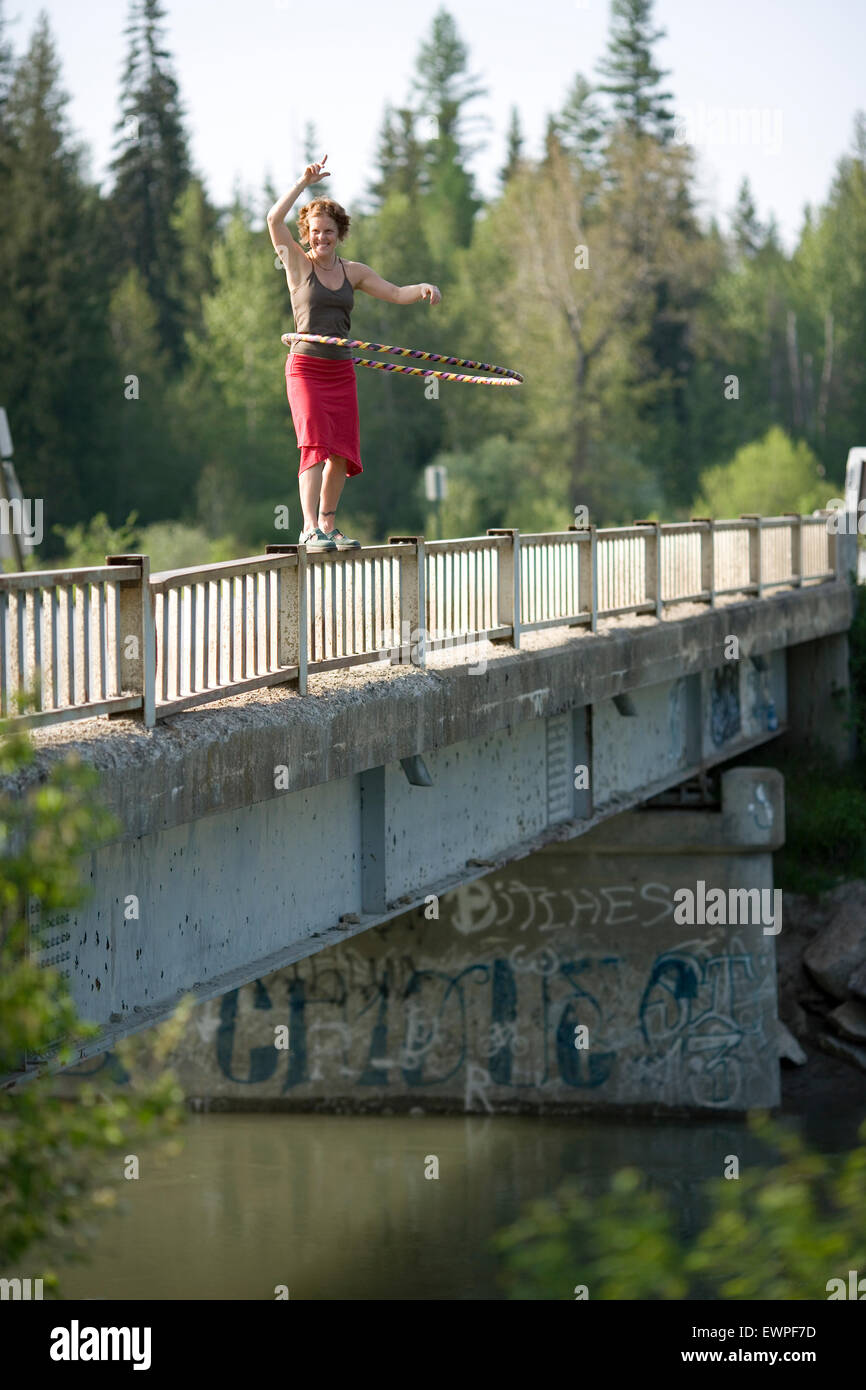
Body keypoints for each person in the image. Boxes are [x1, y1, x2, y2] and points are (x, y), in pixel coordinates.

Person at [267, 154, 442, 552]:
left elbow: (396, 293)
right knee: (314, 444)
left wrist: (423, 288)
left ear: (339, 233)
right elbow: (273, 222)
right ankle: (308, 527)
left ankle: (328, 524)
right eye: (315, 231)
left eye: (328, 231)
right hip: (307, 367)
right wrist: (302, 184)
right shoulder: (297, 264)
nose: (321, 238)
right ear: (307, 234)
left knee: (342, 453)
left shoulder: (354, 272)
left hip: (341, 369)